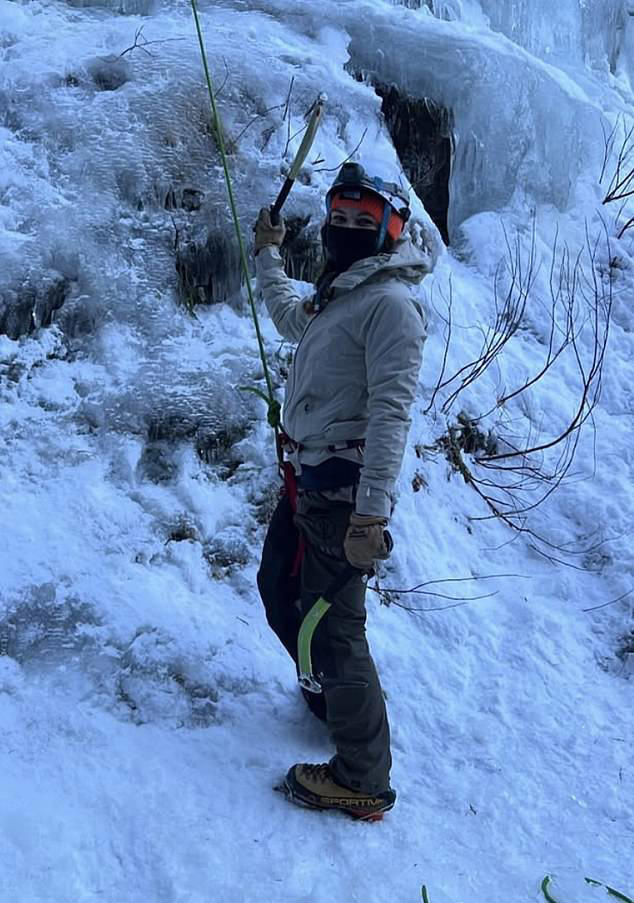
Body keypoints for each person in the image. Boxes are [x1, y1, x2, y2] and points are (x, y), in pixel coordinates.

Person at [254, 162, 432, 820]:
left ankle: (363, 775)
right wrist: (269, 257)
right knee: (279, 587)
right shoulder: (345, 292)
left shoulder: (391, 305)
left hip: (341, 494)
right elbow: (289, 319)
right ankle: (335, 698)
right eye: (340, 218)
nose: (347, 230)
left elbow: (392, 414)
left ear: (392, 229)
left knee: (335, 631)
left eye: (365, 222)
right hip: (307, 480)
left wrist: (369, 515)